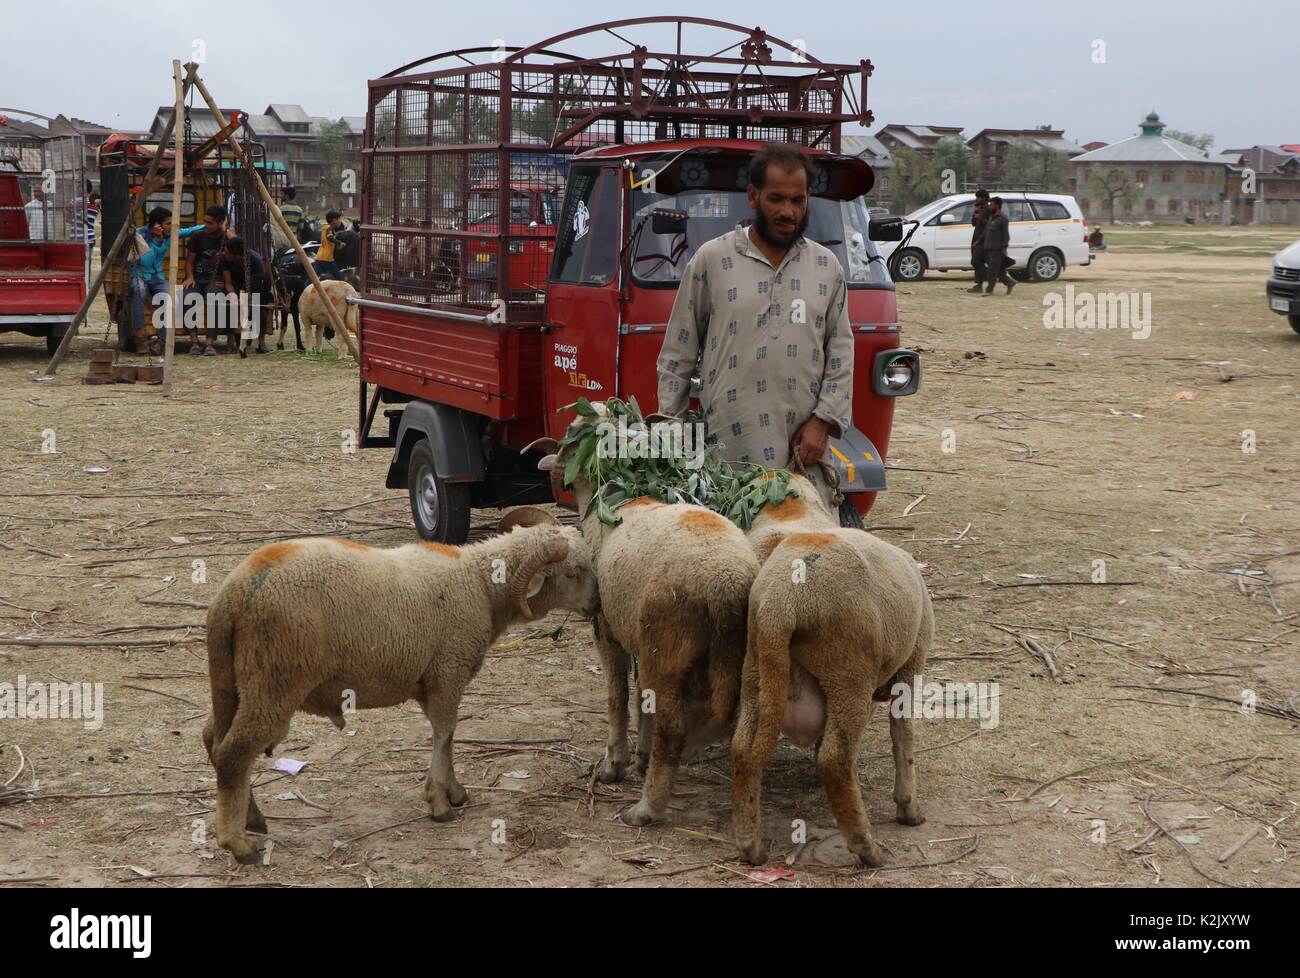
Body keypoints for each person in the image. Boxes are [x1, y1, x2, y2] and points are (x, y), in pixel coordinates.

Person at [656, 142, 853, 510]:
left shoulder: (827, 268)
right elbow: (678, 351)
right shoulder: (712, 260)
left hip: (802, 449)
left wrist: (823, 423)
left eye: (798, 200)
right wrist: (672, 426)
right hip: (729, 445)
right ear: (752, 195)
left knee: (802, 545)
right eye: (776, 199)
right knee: (732, 551)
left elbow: (840, 352)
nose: (787, 211)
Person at [129, 206, 205, 355]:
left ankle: (161, 341)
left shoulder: (169, 234)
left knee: (171, 299)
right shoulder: (140, 235)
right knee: (139, 291)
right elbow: (146, 261)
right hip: (140, 275)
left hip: (158, 278)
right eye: (168, 223)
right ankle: (139, 337)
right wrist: (157, 241)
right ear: (158, 225)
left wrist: (207, 226)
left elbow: (188, 231)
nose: (172, 226)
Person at [181, 205, 235, 355]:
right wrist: (190, 276)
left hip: (216, 278)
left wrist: (225, 229)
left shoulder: (226, 237)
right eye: (205, 221)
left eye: (210, 223)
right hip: (197, 278)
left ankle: (210, 343)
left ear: (220, 222)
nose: (206, 225)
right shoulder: (198, 237)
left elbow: (238, 243)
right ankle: (194, 342)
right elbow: (190, 261)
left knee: (216, 299)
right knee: (186, 297)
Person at [219, 236, 273, 357]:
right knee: (229, 306)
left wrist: (247, 298)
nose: (224, 253)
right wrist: (233, 296)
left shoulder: (255, 260)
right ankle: (231, 341)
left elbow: (259, 282)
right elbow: (228, 282)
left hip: (254, 286)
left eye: (227, 252)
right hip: (235, 285)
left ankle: (261, 341)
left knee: (259, 308)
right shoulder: (224, 259)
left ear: (237, 254)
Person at [982, 196, 1014, 296]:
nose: (989, 207)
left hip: (997, 249)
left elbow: (1006, 235)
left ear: (997, 205)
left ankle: (989, 290)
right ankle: (1010, 282)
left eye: (991, 205)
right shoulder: (992, 217)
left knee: (992, 271)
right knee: (998, 270)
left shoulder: (1003, 219)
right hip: (988, 247)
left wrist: (1004, 247)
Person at [967, 188, 989, 294]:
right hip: (976, 238)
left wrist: (980, 217)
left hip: (983, 239)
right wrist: (975, 213)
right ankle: (978, 285)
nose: (976, 199)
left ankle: (991, 277)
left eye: (978, 197)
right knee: (977, 261)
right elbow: (974, 223)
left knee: (975, 261)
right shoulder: (979, 209)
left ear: (983, 198)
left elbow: (990, 225)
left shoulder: (989, 209)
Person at [312, 210, 344, 280]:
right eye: (339, 219)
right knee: (339, 278)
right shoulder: (330, 228)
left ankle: (304, 288)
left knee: (313, 278)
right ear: (334, 220)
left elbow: (328, 242)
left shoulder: (324, 227)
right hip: (327, 258)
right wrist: (339, 242)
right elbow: (330, 238)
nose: (340, 221)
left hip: (319, 257)